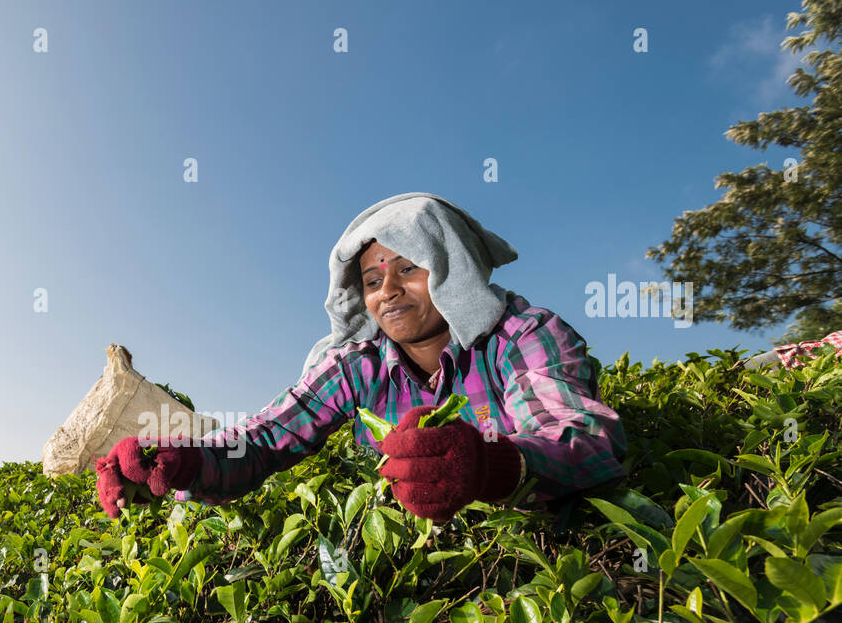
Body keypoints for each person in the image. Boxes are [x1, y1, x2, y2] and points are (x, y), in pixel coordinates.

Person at [96, 192, 629, 523]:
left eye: (409, 268)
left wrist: (491, 466)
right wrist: (176, 464)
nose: (388, 291)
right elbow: (260, 441)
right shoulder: (358, 365)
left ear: (453, 269)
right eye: (372, 280)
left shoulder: (522, 335)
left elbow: (585, 438)